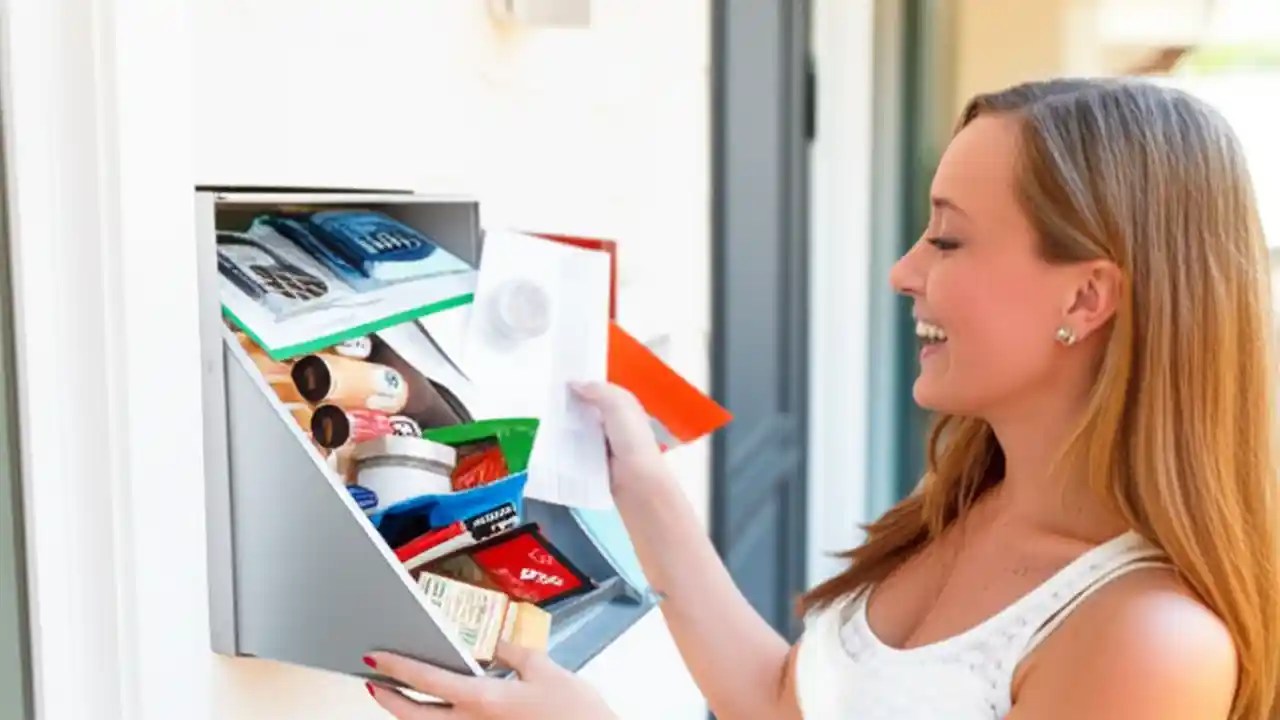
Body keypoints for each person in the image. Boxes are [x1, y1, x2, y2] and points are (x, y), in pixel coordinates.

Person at [361, 77, 1280, 719]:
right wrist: (641, 481)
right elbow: (780, 702)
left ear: (1085, 298)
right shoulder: (975, 504)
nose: (904, 271)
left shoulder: (1149, 642)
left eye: (949, 240)